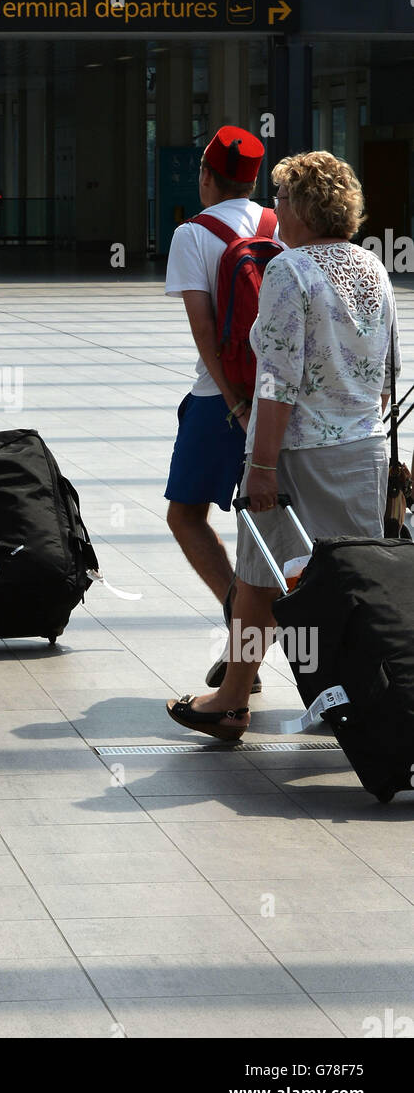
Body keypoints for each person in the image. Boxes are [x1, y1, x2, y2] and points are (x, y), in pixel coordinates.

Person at [167, 150, 397, 741]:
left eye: (282, 198)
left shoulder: (289, 272)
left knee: (258, 580)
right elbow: (387, 368)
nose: (276, 207)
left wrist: (261, 465)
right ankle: (376, 685)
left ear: (299, 206)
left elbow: (277, 379)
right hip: (362, 449)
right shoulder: (373, 268)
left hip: (299, 454)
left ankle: (233, 699)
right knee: (354, 575)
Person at [164, 125, 277, 691]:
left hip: (219, 399)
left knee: (184, 514)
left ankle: (244, 619)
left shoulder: (192, 234)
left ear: (207, 176)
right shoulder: (278, 226)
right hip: (279, 399)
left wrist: (232, 401)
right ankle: (248, 640)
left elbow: (203, 331)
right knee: (261, 520)